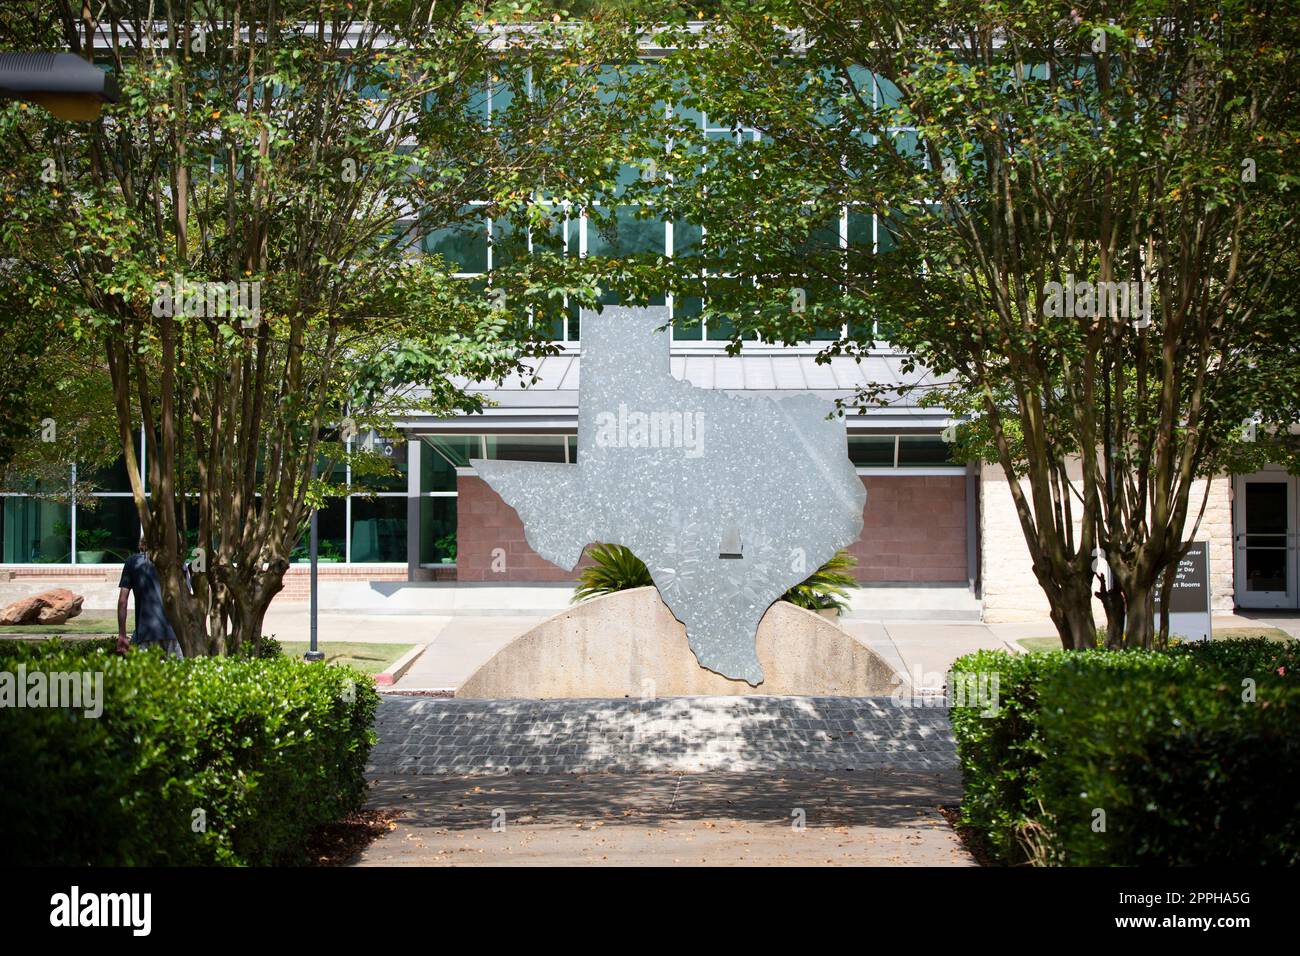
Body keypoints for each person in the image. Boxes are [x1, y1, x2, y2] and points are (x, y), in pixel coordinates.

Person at [116, 536, 183, 658]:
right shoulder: (176, 563)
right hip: (174, 633)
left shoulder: (132, 562)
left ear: (142, 543)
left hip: (146, 633)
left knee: (148, 675)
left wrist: (122, 634)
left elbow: (122, 601)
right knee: (177, 675)